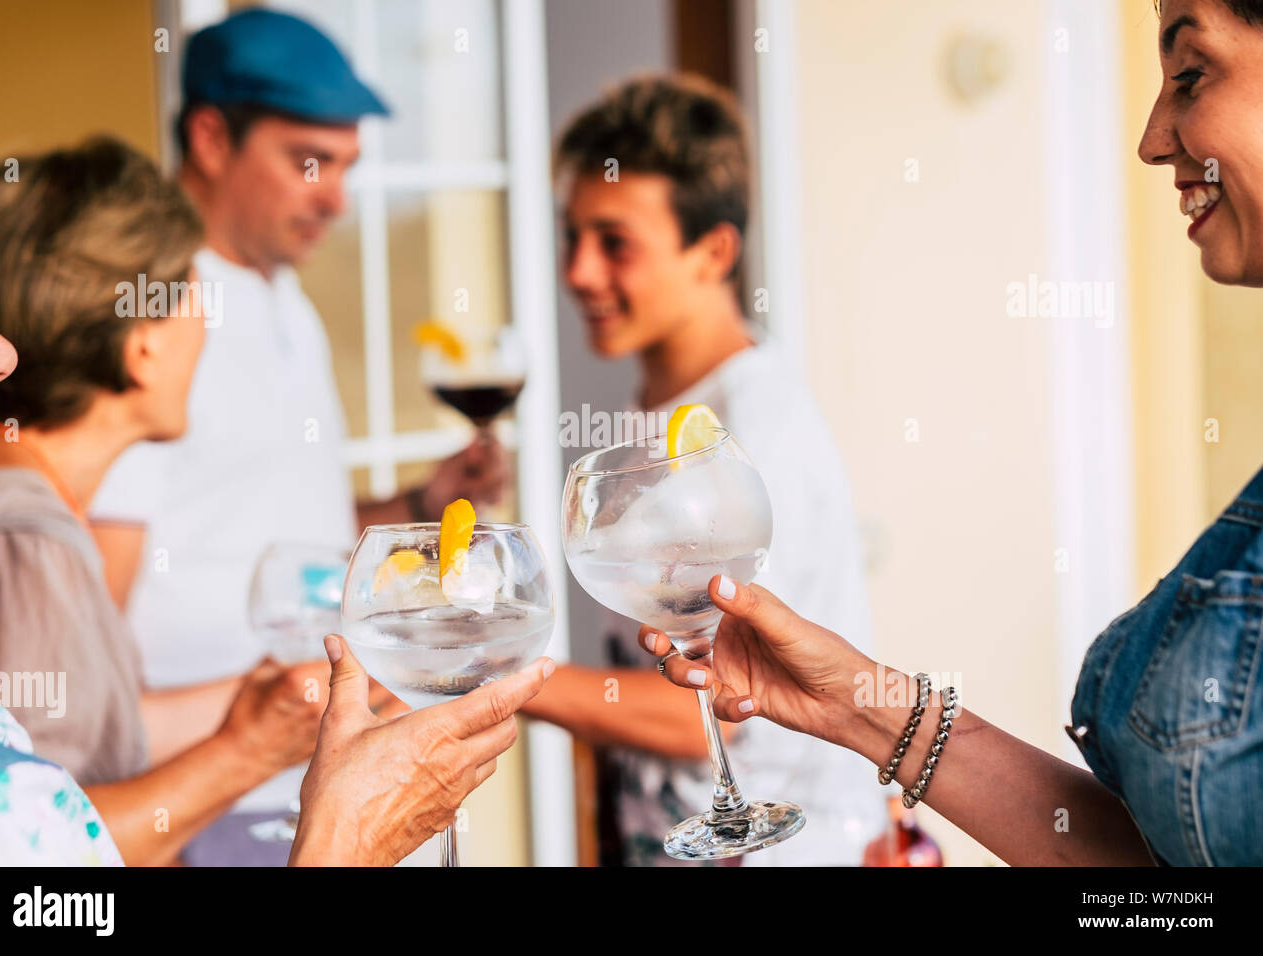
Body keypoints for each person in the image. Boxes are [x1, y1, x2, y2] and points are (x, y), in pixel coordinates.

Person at [638, 0, 1263, 867]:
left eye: (1191, 73)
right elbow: (1155, 880)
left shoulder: (751, 413)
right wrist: (860, 703)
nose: (1154, 137)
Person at [0, 132, 551, 867]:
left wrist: (268, 709)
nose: (207, 326)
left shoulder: (40, 521)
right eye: (191, 296)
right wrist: (247, 756)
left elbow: (87, 730)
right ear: (141, 344)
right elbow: (38, 845)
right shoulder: (24, 540)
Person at [87, 8, 505, 838]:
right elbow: (89, 599)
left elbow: (280, 536)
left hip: (317, 775)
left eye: (348, 167)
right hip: (201, 801)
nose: (336, 198)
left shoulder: (284, 298)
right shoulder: (153, 310)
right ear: (210, 138)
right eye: (309, 162)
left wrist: (415, 500)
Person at [521, 75, 883, 865]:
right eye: (570, 234)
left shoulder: (752, 432)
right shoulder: (658, 410)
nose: (578, 271)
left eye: (614, 242)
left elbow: (723, 702)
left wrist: (496, 677)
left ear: (713, 251)